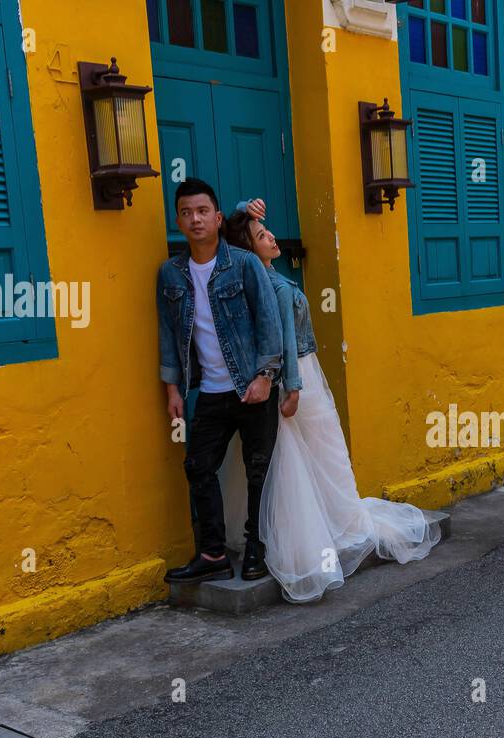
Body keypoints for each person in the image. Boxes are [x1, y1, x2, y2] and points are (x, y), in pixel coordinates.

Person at [218, 200, 440, 600]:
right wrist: (294, 388)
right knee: (315, 454)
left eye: (266, 231)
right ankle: (323, 532)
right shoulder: (273, 285)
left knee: (312, 456)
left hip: (298, 373)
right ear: (249, 250)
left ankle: (318, 524)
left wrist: (243, 211)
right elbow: (284, 338)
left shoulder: (266, 276)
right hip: (297, 376)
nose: (270, 236)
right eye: (260, 235)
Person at [157, 179, 284, 584]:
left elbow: (269, 325)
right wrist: (173, 388)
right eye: (186, 213)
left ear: (215, 217)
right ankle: (212, 553)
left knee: (257, 471)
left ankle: (255, 549)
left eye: (202, 211)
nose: (195, 219)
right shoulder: (171, 274)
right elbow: (166, 334)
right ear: (178, 220)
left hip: (252, 388)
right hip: (210, 392)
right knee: (198, 467)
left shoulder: (244, 264)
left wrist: (266, 377)